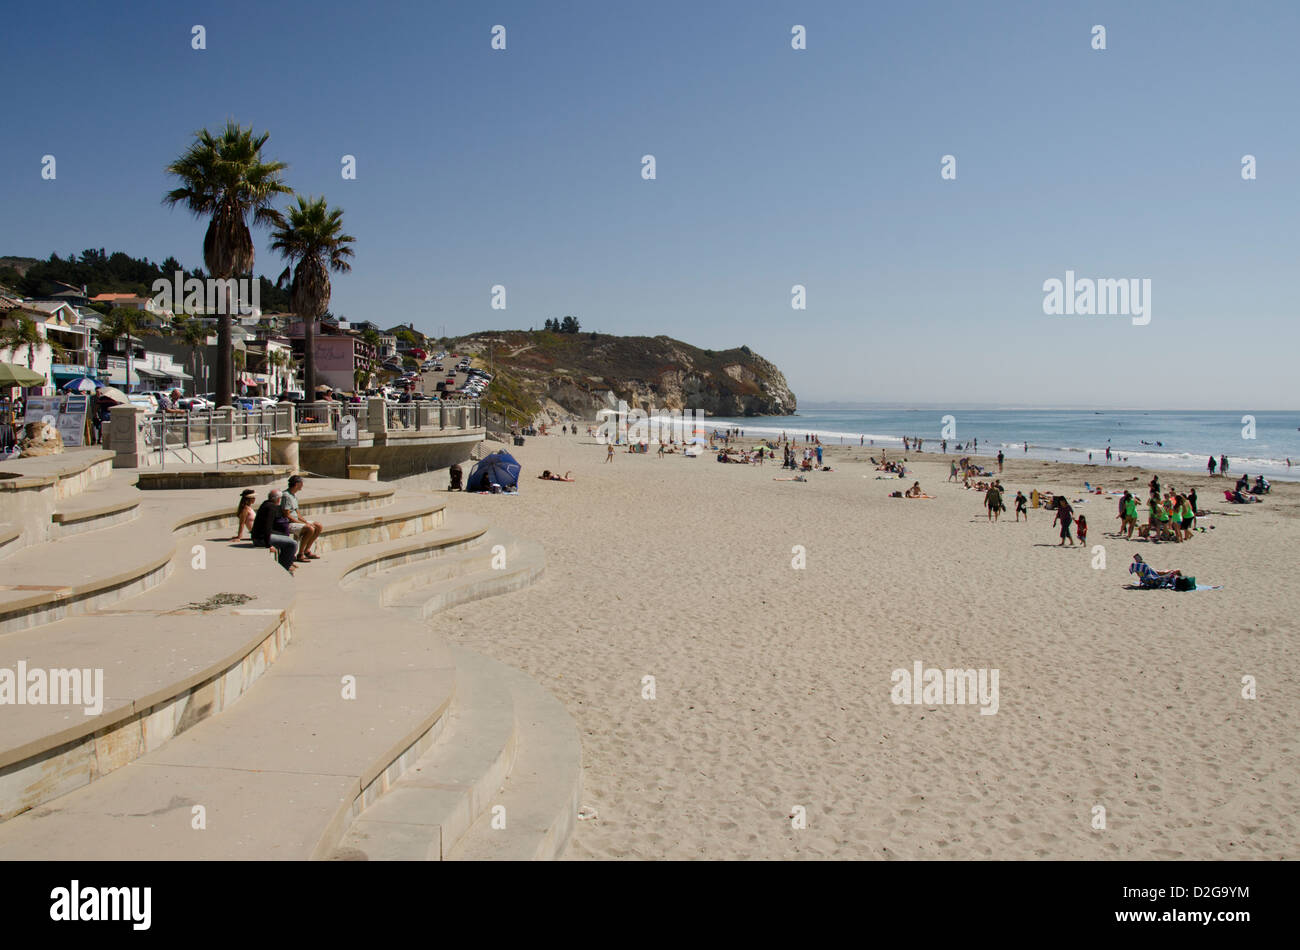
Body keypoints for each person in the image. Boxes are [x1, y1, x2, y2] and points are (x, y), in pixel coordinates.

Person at [250, 489, 298, 574]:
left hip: (257, 536)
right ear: (278, 499)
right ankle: (284, 569)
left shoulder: (266, 503)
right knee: (292, 544)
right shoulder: (272, 507)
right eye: (280, 498)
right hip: (260, 539)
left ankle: (285, 563)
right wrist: (268, 545)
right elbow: (267, 526)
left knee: (285, 537)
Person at [282, 475, 324, 562]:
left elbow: (298, 514)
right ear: (297, 484)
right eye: (301, 483)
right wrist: (303, 524)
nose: (303, 485)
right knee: (310, 529)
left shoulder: (294, 496)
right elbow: (286, 515)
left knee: (318, 526)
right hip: (289, 523)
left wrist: (305, 522)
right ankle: (300, 554)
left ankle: (307, 550)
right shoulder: (286, 496)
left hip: (296, 521)